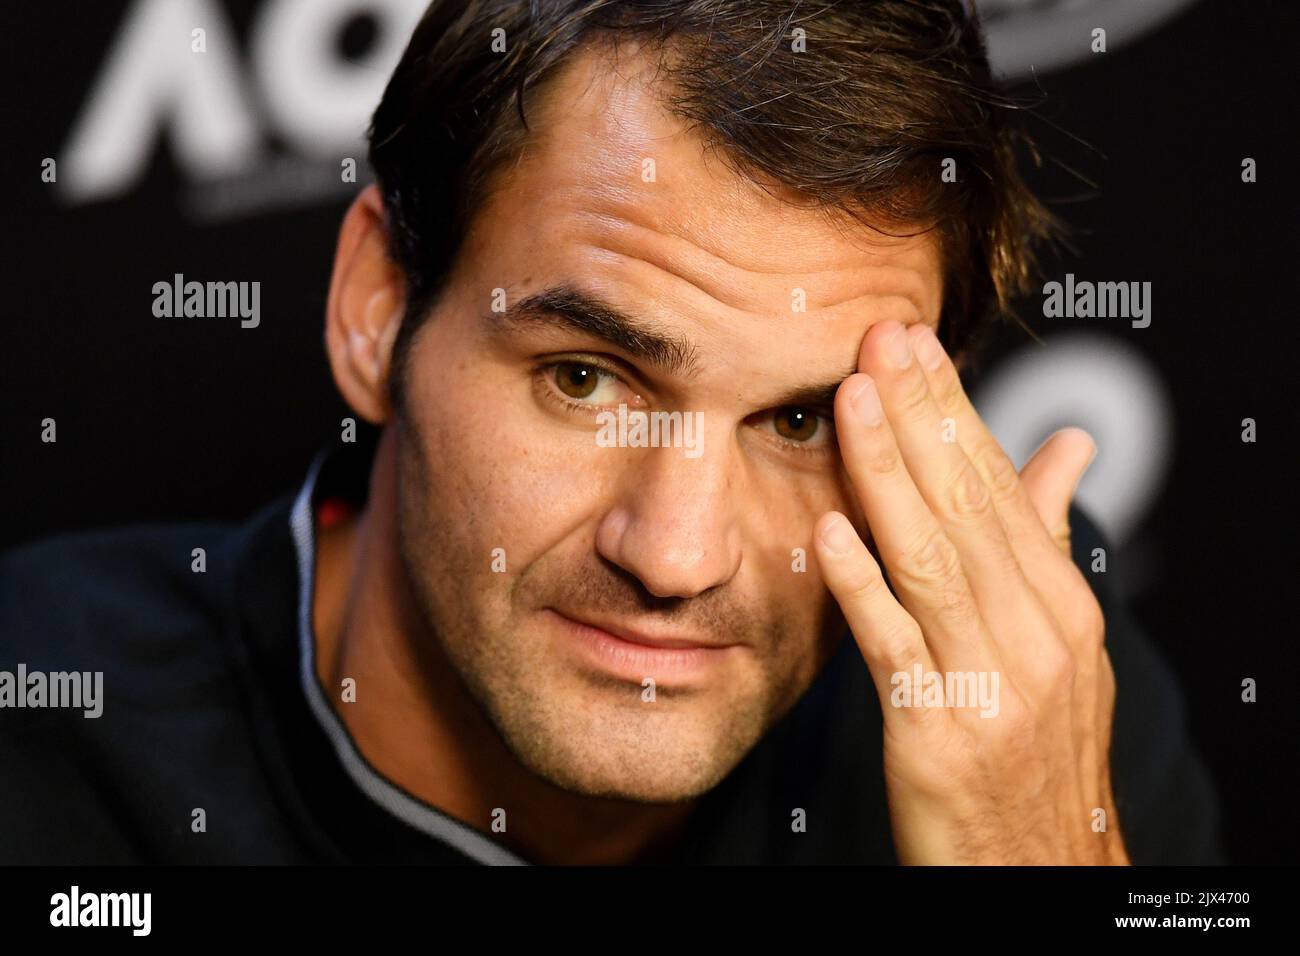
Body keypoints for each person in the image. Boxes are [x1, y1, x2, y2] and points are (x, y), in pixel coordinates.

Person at [0, 0, 1222, 865]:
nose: (676, 554)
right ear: (376, 310)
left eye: (799, 417)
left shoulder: (1030, 683)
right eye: (586, 377)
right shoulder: (41, 737)